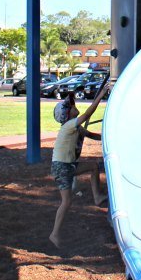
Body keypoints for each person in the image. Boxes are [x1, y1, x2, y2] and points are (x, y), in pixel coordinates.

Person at [49, 82, 112, 248]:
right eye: (72, 106)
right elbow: (88, 113)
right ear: (68, 114)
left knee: (93, 167)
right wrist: (101, 95)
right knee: (66, 201)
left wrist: (110, 138)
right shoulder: (70, 126)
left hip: (67, 165)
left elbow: (93, 135)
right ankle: (54, 234)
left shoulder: (75, 128)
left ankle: (97, 196)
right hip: (61, 167)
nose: (75, 105)